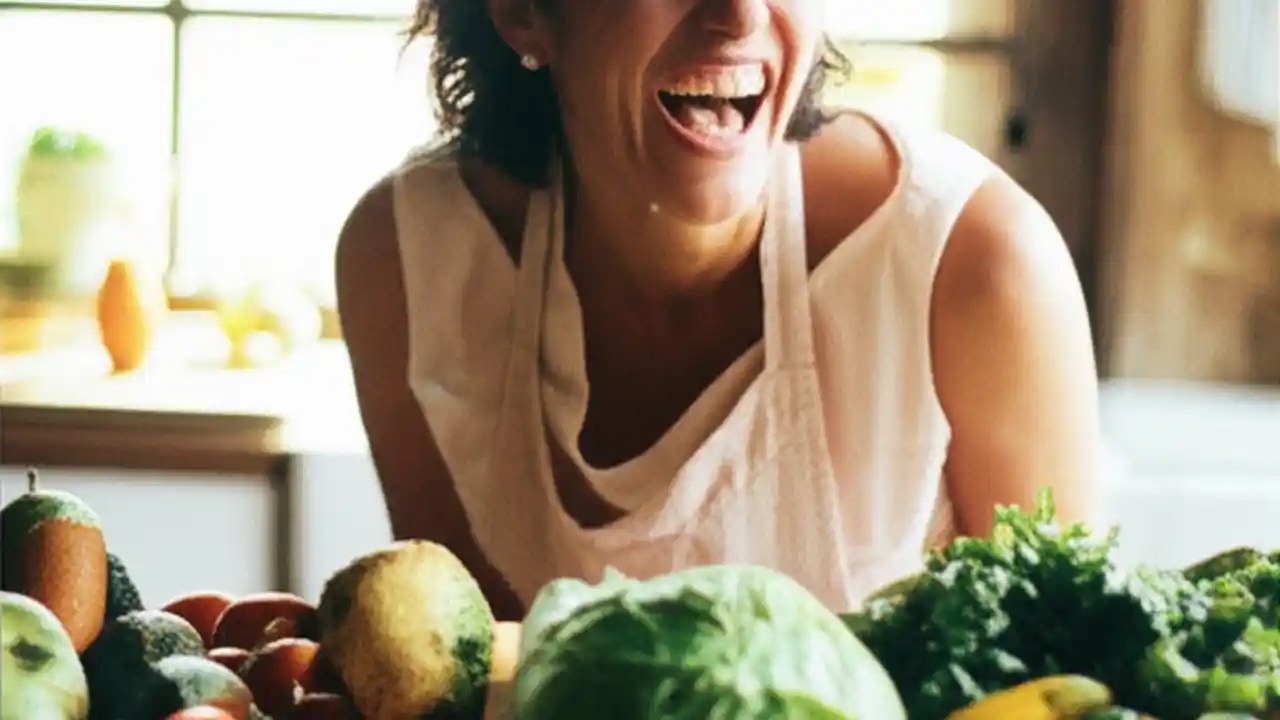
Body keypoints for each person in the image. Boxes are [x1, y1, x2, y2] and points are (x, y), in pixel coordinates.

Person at [335, 0, 1103, 621]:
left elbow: (1072, 679)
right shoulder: (408, 259)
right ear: (523, 14)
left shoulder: (974, 265)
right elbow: (463, 682)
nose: (738, 16)